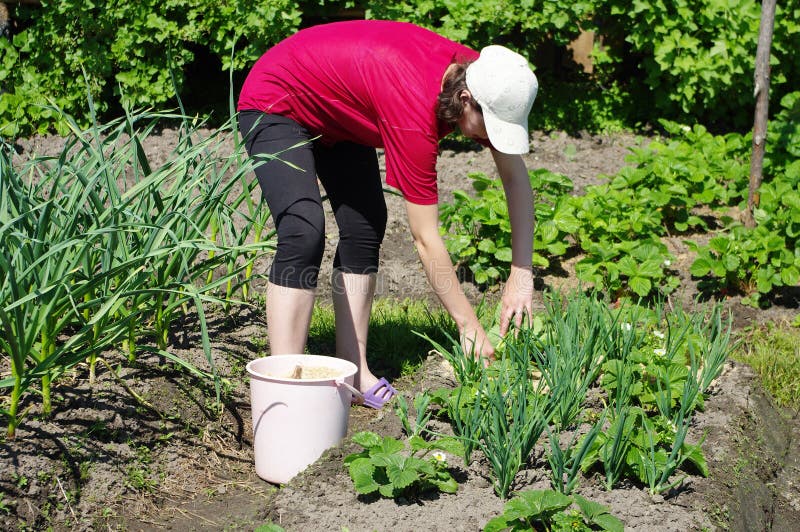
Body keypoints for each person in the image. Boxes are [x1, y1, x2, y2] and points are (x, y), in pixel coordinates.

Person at [238, 19, 538, 407]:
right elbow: (425, 239)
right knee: (303, 230)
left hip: (337, 107)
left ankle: (353, 369)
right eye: (492, 128)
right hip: (278, 97)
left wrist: (521, 274)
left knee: (365, 224)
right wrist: (468, 327)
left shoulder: (485, 79)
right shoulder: (416, 109)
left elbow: (515, 180)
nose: (493, 140)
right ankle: (283, 386)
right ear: (465, 99)